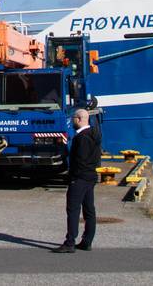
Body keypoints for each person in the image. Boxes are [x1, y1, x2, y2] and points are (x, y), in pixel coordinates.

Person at [53, 108, 101, 253]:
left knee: (73, 210)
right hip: (91, 177)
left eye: (73, 118)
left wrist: (73, 176)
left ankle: (70, 242)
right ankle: (87, 241)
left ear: (79, 119)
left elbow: (80, 160)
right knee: (89, 210)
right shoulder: (95, 134)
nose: (72, 120)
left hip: (80, 178)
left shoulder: (82, 138)